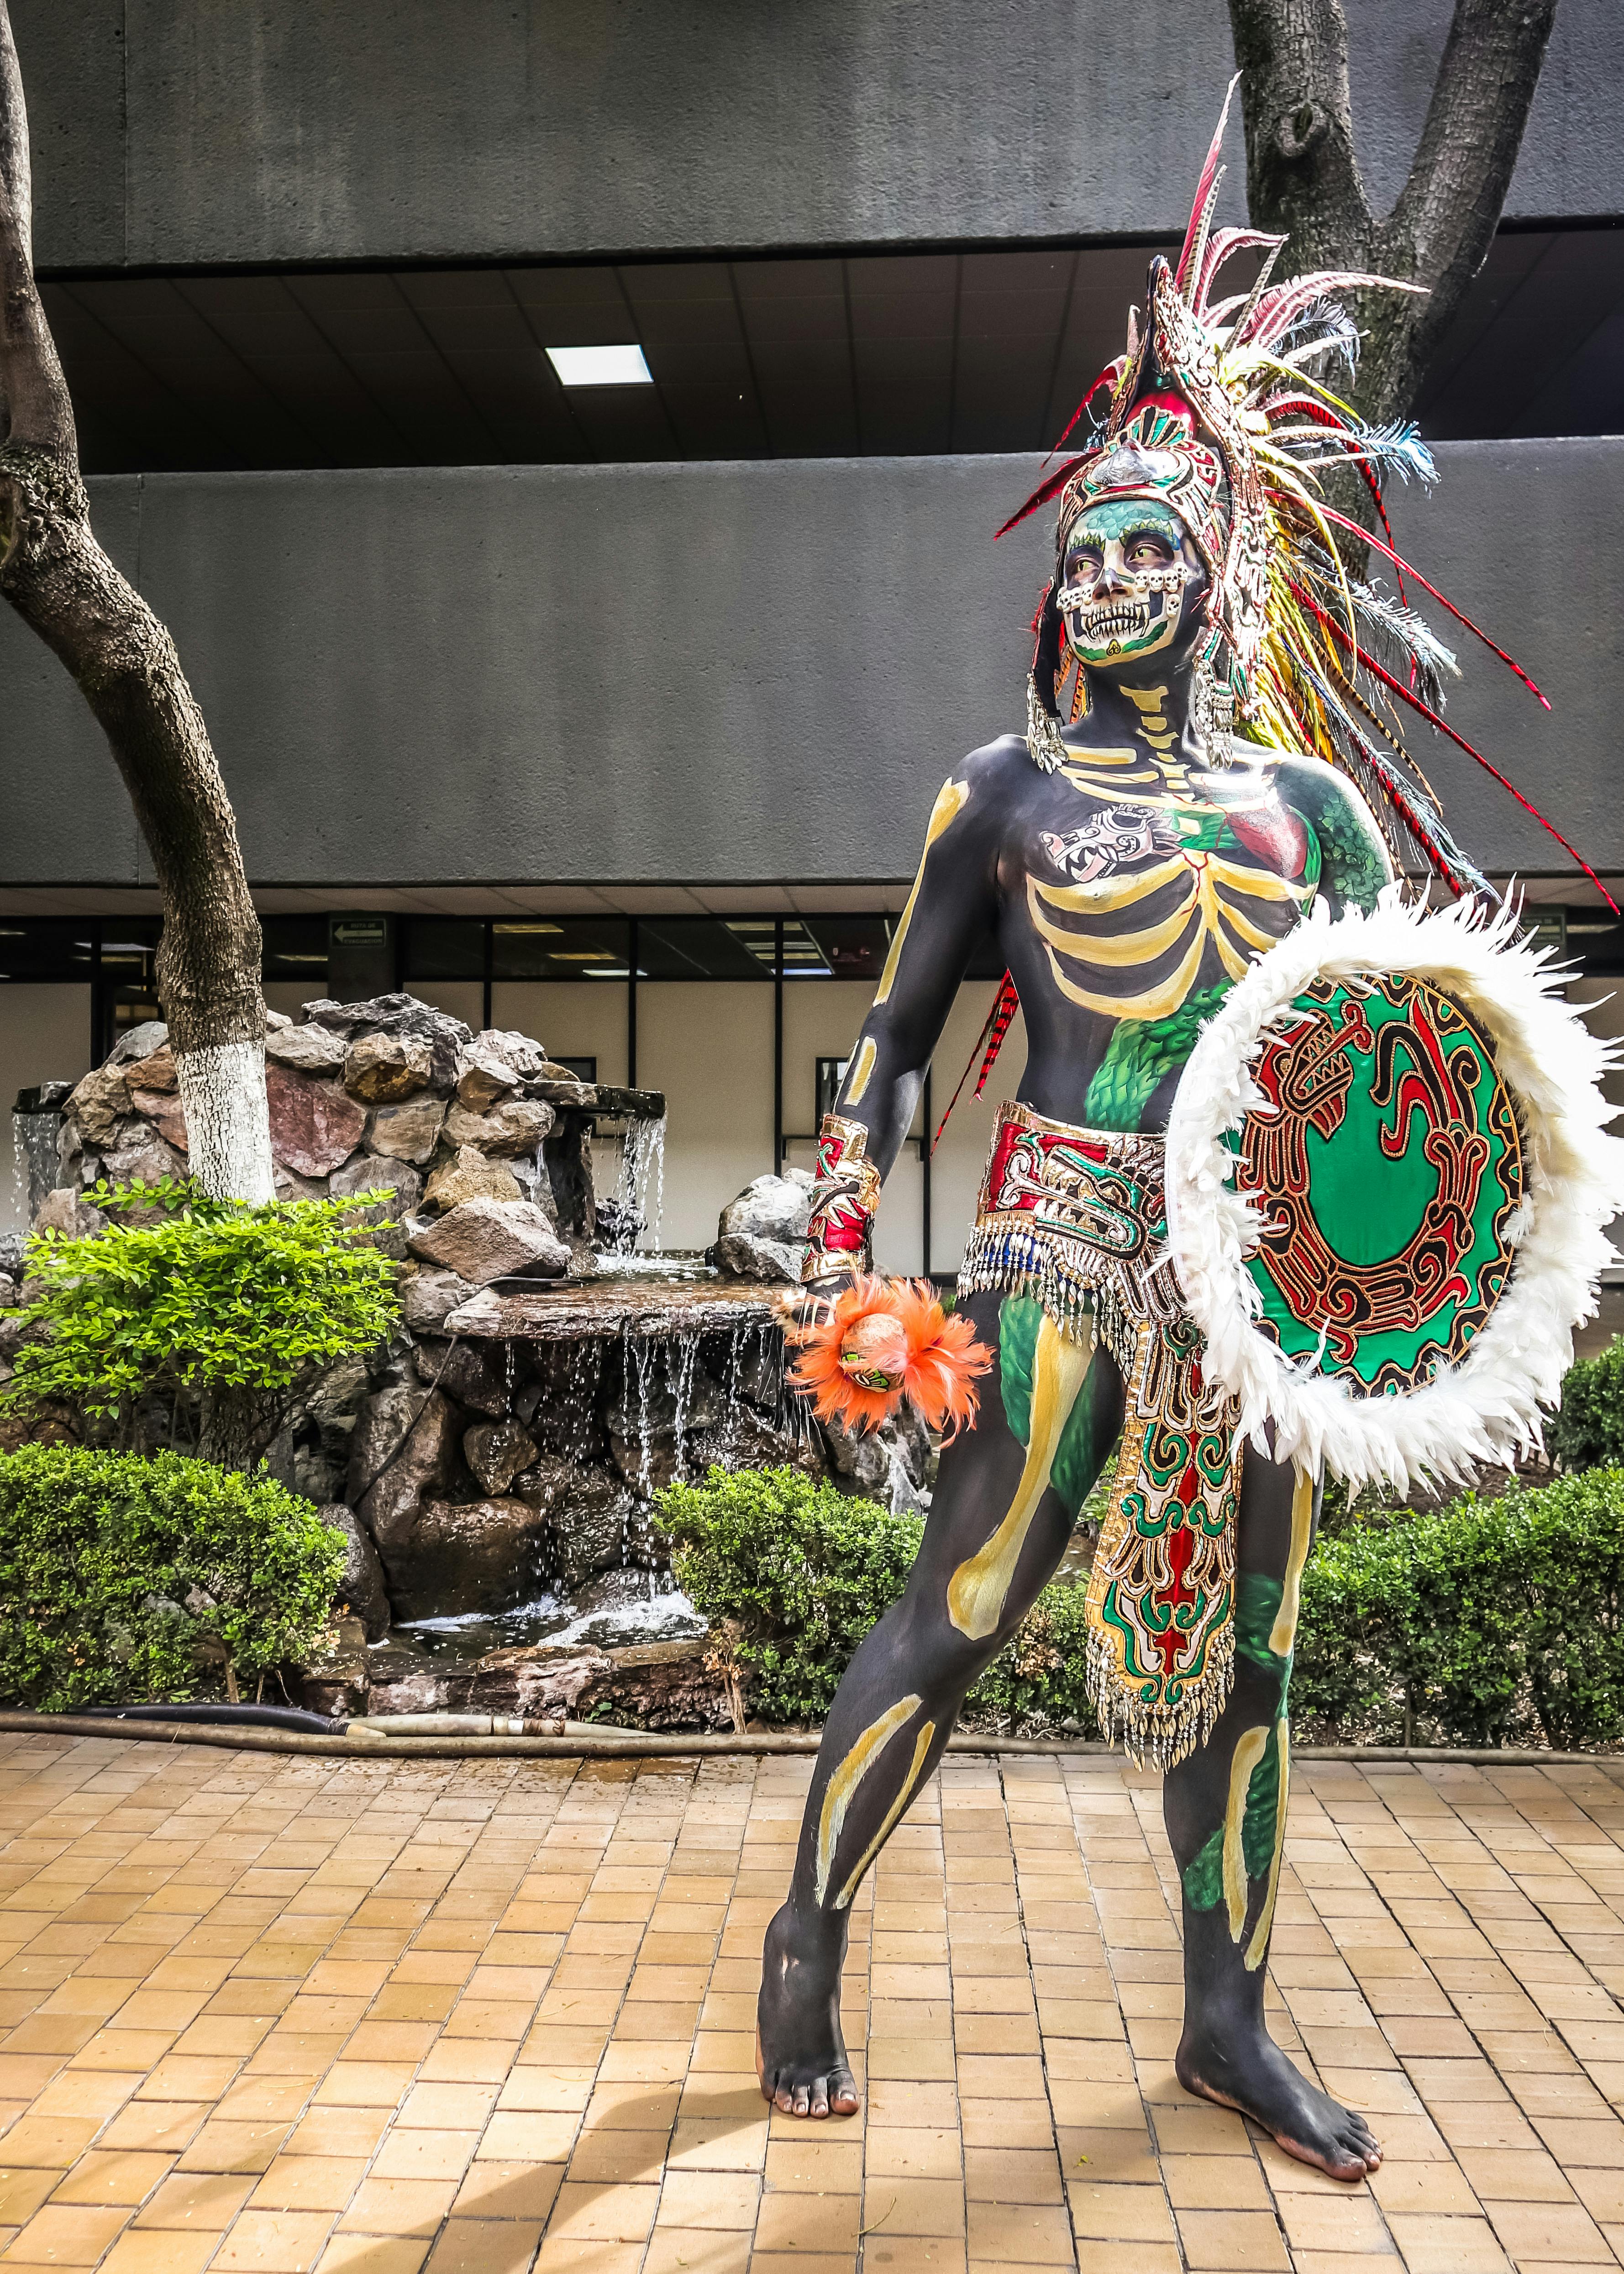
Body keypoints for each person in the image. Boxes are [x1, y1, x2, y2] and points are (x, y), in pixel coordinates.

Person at [755, 91, 1538, 2179]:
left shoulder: (1311, 812)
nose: (1107, 577)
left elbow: (1420, 1053)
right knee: (976, 1595)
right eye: (1084, 550)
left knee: (1254, 1644)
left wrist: (1463, 1280)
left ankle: (1225, 2022)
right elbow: (901, 1034)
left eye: (1145, 550)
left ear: (1210, 579)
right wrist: (849, 1221)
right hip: (1063, 1254)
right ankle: (804, 1942)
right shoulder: (994, 795)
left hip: (1265, 1291)